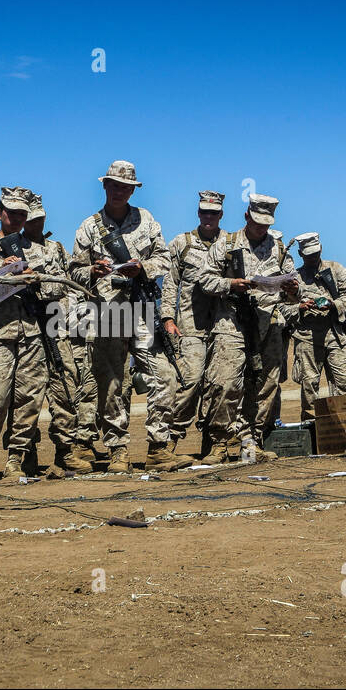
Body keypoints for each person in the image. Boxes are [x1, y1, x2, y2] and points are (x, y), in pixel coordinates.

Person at [69, 161, 192, 473]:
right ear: (105, 186)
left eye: (126, 187)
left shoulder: (146, 220)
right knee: (111, 383)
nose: (120, 191)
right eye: (115, 185)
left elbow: (164, 258)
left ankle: (158, 448)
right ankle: (117, 451)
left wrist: (143, 268)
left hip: (141, 310)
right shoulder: (88, 226)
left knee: (163, 375)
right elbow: (72, 270)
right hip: (107, 312)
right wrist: (91, 271)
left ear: (133, 190)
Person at [0, 187, 57, 478]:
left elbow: (56, 290)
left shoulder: (39, 250)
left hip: (31, 333)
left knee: (29, 400)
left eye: (21, 214)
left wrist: (35, 280)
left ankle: (15, 460)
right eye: (10, 212)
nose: (15, 218)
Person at [197, 194, 297, 463]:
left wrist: (291, 289)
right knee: (225, 382)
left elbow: (293, 289)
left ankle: (253, 441)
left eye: (265, 224)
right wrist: (231, 284)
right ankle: (219, 442)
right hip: (231, 322)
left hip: (268, 324)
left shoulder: (279, 249)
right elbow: (204, 280)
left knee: (265, 385)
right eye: (256, 222)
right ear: (246, 217)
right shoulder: (225, 244)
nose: (260, 228)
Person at [23, 191, 92, 475]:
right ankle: (26, 454)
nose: (36, 224)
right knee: (26, 395)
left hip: (57, 326)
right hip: (26, 329)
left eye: (40, 218)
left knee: (64, 389)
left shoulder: (57, 248)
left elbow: (69, 285)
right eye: (31, 219)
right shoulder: (9, 248)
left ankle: (66, 451)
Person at [158, 190, 224, 458]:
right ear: (198, 213)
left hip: (222, 326)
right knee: (191, 381)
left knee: (218, 384)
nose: (208, 217)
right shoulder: (181, 243)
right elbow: (169, 283)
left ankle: (213, 441)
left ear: (221, 215)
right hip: (189, 325)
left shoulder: (230, 244)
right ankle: (172, 436)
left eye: (214, 213)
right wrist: (167, 317)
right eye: (204, 212)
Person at [281, 232, 346, 420]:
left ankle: (344, 427)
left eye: (315, 253)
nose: (313, 258)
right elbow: (282, 308)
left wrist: (333, 304)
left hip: (335, 335)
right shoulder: (294, 278)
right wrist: (300, 307)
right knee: (309, 386)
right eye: (308, 254)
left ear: (320, 248)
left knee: (342, 383)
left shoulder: (337, 270)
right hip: (307, 337)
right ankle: (312, 429)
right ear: (300, 254)